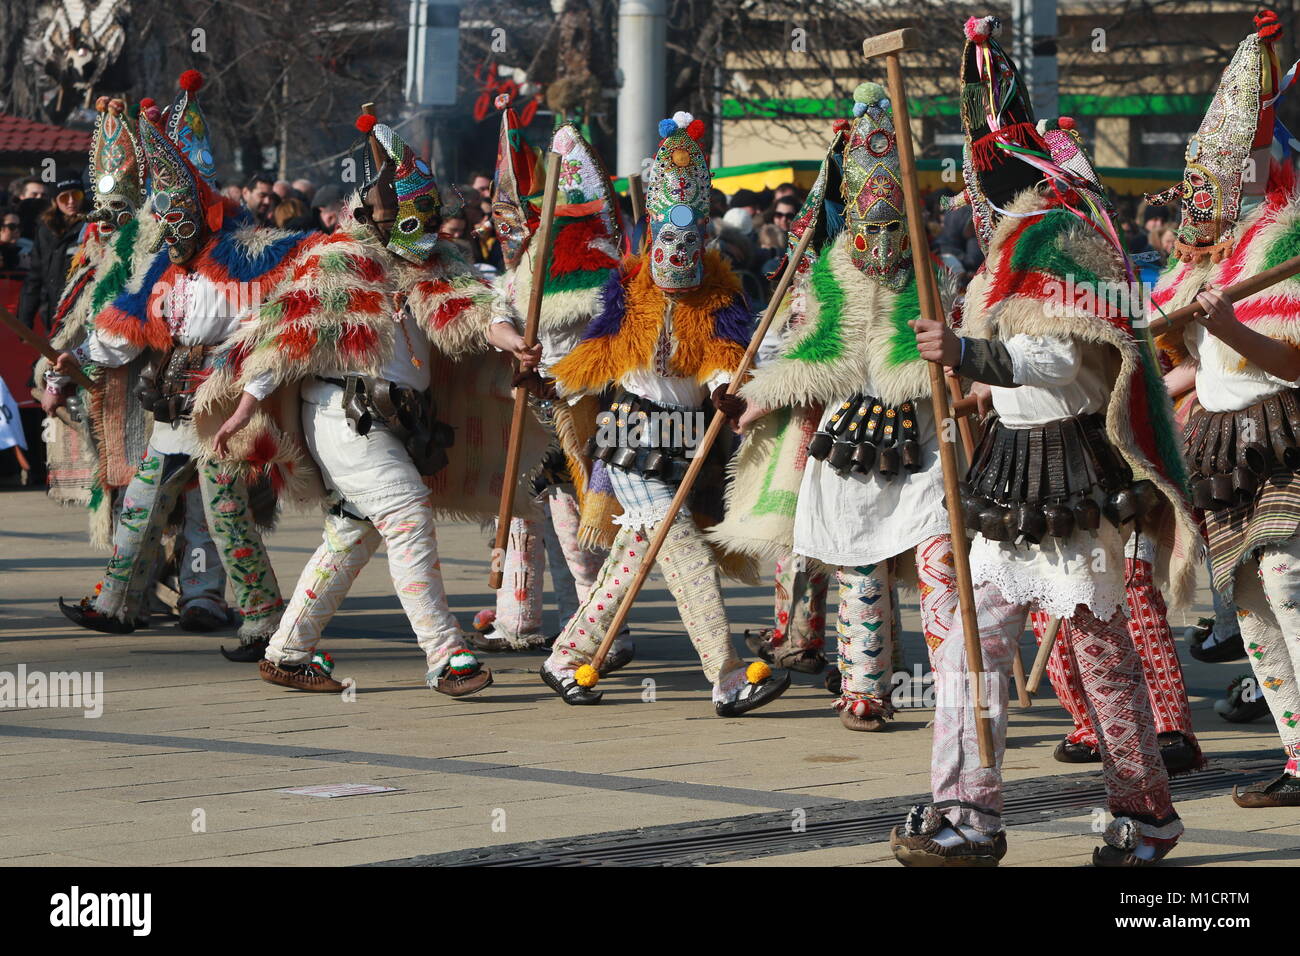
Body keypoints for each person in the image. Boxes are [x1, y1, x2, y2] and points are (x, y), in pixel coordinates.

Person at [891, 16, 1198, 867]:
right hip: (1007, 473)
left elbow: (1059, 356)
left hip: (1073, 471)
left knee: (1102, 659)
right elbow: (1012, 365)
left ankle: (1146, 815)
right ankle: (967, 811)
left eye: (977, 178)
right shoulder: (1005, 248)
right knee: (971, 651)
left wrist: (971, 352)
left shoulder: (1055, 236)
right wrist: (968, 381)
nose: (967, 196)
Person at [199, 110, 540, 697]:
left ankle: (287, 651)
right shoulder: (332, 262)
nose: (426, 234)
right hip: (343, 414)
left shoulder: (433, 261)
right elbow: (285, 339)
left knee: (351, 532)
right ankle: (446, 654)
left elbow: (473, 306)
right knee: (407, 515)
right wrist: (244, 407)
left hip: (402, 421)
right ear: (379, 219)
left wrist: (509, 338)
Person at [713, 86, 957, 733]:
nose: (881, 240)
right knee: (859, 571)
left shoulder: (938, 275)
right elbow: (805, 362)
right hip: (849, 444)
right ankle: (865, 690)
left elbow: (965, 351)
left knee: (942, 569)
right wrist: (753, 402)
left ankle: (958, 690)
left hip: (924, 443)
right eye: (868, 227)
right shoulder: (824, 280)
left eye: (891, 226)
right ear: (849, 220)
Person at [50, 70, 318, 659]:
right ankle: (116, 604)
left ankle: (263, 620)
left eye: (180, 221)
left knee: (225, 514)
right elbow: (125, 328)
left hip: (220, 408)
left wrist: (246, 395)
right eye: (165, 222)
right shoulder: (165, 273)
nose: (171, 233)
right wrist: (79, 357)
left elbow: (267, 339)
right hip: (168, 410)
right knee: (141, 507)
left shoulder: (245, 265)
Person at [536, 112, 790, 716]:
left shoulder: (721, 291)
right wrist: (554, 384)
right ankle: (726, 676)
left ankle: (565, 655)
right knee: (682, 553)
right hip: (630, 435)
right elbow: (593, 355)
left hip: (685, 439)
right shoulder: (626, 286)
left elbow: (726, 356)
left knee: (631, 561)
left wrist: (730, 391)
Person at [1148, 10, 1300, 808]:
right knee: (1245, 602)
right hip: (1220, 445)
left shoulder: (1286, 246)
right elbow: (1180, 355)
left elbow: (1294, 361)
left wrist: (1232, 322)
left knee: (1286, 582)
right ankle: (1298, 755)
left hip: (1286, 434)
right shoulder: (1203, 257)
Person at [472, 108, 632, 668]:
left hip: (586, 410)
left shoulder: (608, 262)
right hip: (535, 406)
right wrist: (514, 342)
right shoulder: (523, 267)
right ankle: (523, 619)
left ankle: (599, 631)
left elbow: (618, 332)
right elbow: (496, 313)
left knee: (580, 528)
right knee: (525, 515)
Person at [17, 175, 88, 329]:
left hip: (81, 314)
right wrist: (24, 320)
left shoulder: (91, 226)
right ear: (55, 200)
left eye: (76, 195)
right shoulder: (45, 229)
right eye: (64, 197)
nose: (71, 201)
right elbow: (34, 276)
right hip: (51, 313)